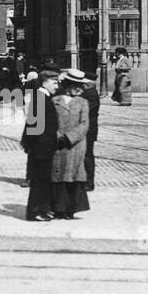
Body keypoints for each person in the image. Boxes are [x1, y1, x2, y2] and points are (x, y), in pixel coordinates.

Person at [21, 71, 61, 221]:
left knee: (44, 181)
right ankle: (34, 212)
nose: (57, 86)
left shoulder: (43, 97)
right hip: (41, 148)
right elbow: (33, 126)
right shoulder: (40, 99)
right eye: (54, 82)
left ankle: (42, 209)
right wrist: (34, 147)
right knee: (39, 182)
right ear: (45, 82)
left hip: (44, 147)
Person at [50, 71, 91, 220]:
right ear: (68, 85)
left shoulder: (82, 102)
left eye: (81, 85)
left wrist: (69, 137)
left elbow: (85, 124)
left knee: (73, 176)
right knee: (58, 176)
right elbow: (50, 123)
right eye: (77, 85)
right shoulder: (54, 101)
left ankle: (71, 209)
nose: (80, 88)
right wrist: (57, 137)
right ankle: (58, 208)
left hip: (75, 146)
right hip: (58, 145)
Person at [78, 69, 100, 191]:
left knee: (87, 156)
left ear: (88, 82)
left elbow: (86, 110)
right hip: (87, 129)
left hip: (89, 130)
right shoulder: (88, 92)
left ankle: (89, 182)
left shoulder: (91, 94)